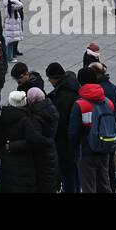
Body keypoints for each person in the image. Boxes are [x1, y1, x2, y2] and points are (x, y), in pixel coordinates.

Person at [68, 73, 116, 193]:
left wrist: (74, 149)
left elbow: (74, 132)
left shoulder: (80, 104)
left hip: (86, 151)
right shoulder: (108, 103)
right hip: (105, 148)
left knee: (88, 186)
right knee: (104, 183)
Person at [46, 63, 81, 193]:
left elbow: (58, 123)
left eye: (49, 78)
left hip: (64, 143)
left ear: (55, 78)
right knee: (76, 174)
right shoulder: (74, 88)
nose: (49, 81)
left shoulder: (61, 96)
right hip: (76, 142)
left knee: (68, 177)